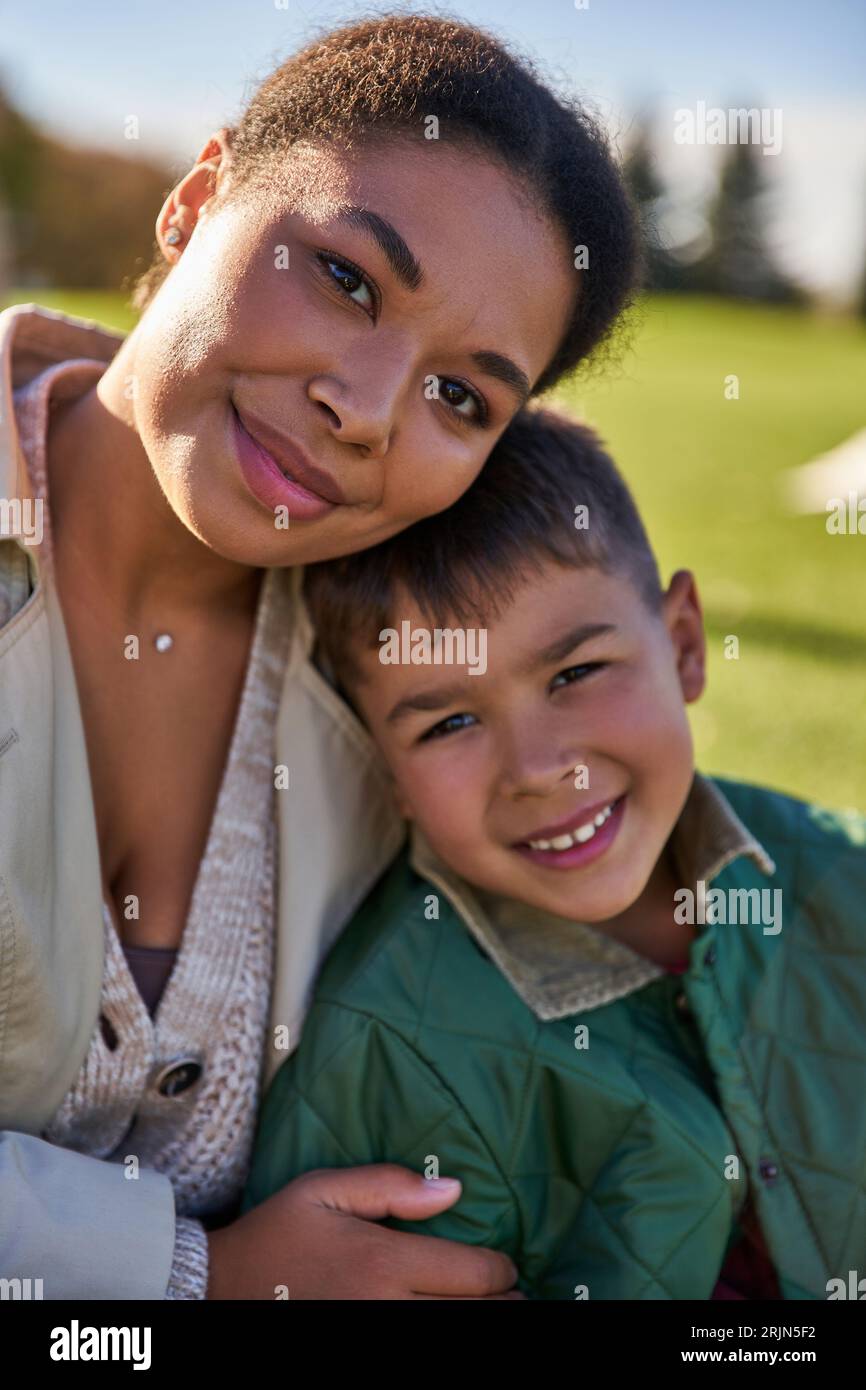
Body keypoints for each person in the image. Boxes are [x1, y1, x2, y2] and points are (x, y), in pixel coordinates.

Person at [0, 12, 639, 1300]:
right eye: (347, 278)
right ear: (195, 199)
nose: (365, 410)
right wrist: (190, 1272)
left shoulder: (409, 689)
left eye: (461, 396)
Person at [242, 406, 866, 1300]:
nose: (538, 770)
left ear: (684, 646)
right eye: (450, 722)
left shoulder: (842, 878)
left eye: (575, 674)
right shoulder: (390, 1055)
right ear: (377, 764)